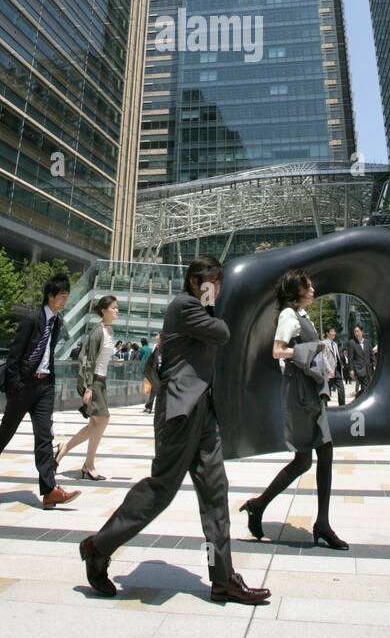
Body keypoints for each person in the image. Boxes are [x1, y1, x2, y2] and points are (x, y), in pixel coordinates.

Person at [80, 256, 270, 605]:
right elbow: (223, 333)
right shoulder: (185, 307)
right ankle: (98, 545)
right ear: (197, 283)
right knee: (161, 491)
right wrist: (211, 300)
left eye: (220, 282)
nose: (219, 289)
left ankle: (222, 577)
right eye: (214, 283)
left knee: (215, 492)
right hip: (179, 413)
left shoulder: (199, 308)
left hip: (204, 412)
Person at [240, 268, 348, 552]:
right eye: (309, 287)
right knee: (309, 459)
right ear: (297, 290)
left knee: (315, 456)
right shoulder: (288, 315)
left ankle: (314, 520)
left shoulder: (301, 315)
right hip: (299, 394)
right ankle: (262, 506)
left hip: (309, 391)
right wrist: (308, 350)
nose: (313, 290)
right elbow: (277, 350)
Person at [0, 273, 81, 508]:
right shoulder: (32, 320)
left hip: (44, 387)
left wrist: (50, 382)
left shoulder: (56, 323)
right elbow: (14, 357)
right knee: (5, 435)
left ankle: (49, 489)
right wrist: (15, 387)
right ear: (51, 296)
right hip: (23, 386)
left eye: (67, 296)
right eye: (62, 296)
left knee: (45, 437)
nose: (65, 301)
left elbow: (48, 355)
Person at [55, 295, 118, 480]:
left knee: (95, 423)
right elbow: (88, 360)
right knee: (103, 419)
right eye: (113, 307)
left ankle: (69, 453)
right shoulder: (97, 332)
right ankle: (85, 462)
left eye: (117, 308)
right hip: (95, 382)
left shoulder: (109, 330)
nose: (116, 311)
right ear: (104, 310)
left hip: (101, 381)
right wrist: (88, 387)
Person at [347, 324, 375, 395]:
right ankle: (359, 399)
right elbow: (350, 358)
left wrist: (374, 364)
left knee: (367, 388)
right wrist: (351, 370)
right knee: (366, 388)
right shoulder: (352, 343)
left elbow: (371, 354)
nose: (356, 333)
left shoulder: (367, 342)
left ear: (362, 332)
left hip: (369, 369)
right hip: (359, 369)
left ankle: (357, 398)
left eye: (357, 331)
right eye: (355, 332)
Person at [324, 326, 346, 406]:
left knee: (341, 389)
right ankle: (325, 407)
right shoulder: (324, 343)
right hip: (328, 371)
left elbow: (336, 356)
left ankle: (342, 406)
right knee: (327, 390)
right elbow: (324, 357)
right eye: (332, 331)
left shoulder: (335, 344)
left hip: (337, 370)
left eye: (334, 331)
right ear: (327, 333)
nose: (334, 333)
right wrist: (329, 370)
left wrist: (340, 365)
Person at [143, 332, 161, 413]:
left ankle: (150, 406)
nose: (156, 336)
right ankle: (149, 406)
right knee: (154, 388)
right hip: (155, 370)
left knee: (156, 389)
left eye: (157, 335)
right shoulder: (155, 346)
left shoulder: (165, 346)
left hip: (162, 370)